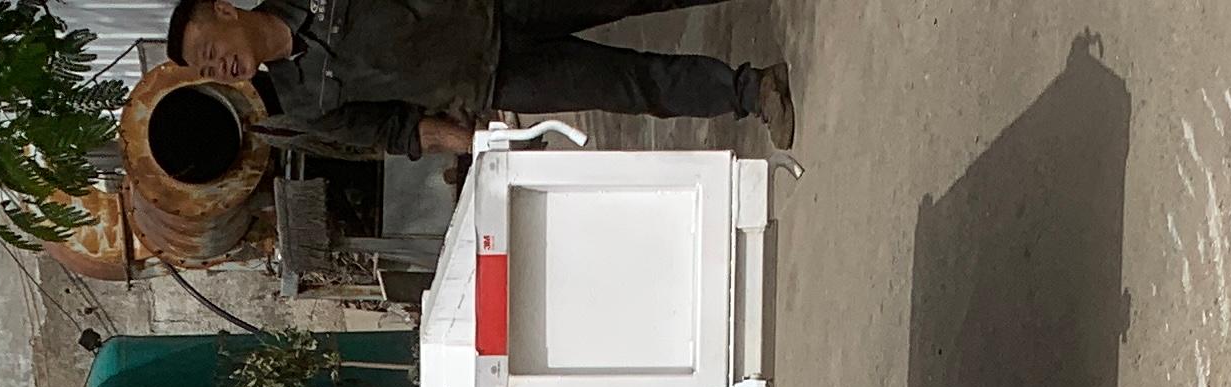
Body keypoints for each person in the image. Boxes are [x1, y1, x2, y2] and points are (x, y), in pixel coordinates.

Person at [165, 0, 792, 161]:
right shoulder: (299, 101)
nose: (219, 67)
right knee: (629, 86)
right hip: (494, 78)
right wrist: (464, 140)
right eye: (207, 69)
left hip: (497, 4)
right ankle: (751, 90)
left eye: (210, 51)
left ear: (226, 10)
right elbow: (391, 130)